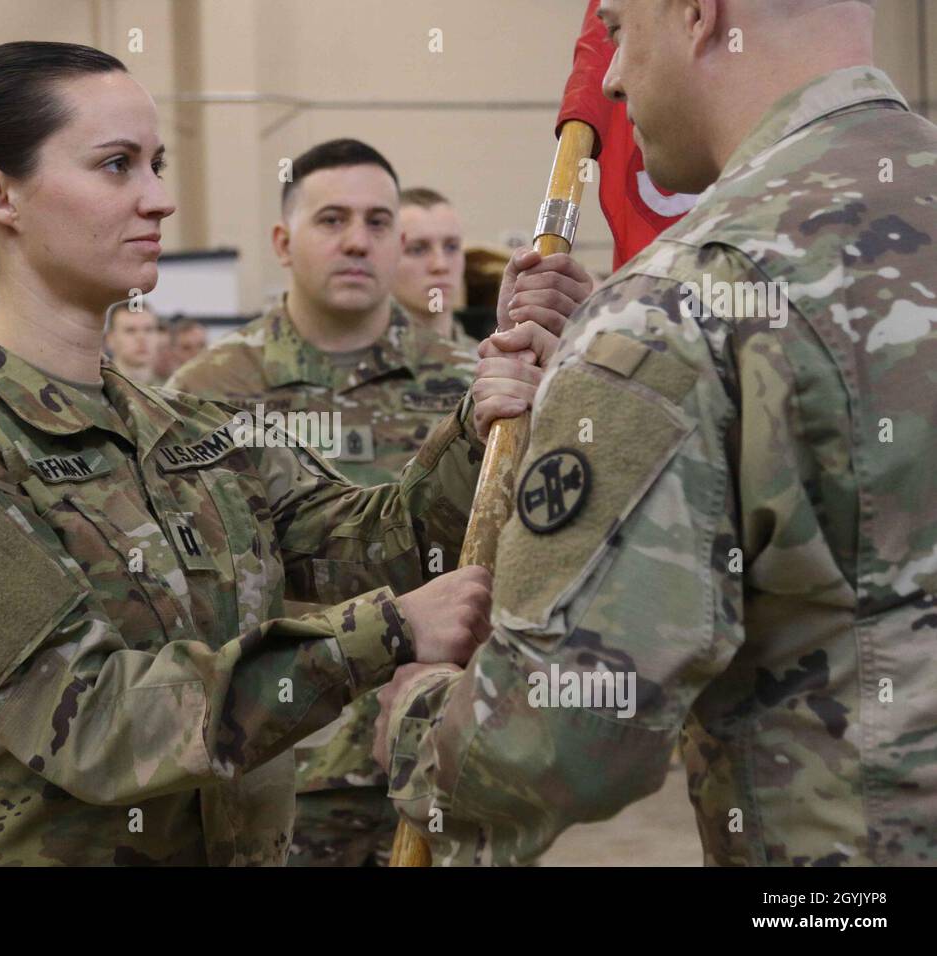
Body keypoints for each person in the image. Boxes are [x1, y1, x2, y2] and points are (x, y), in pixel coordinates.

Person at [0, 40, 530, 866]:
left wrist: (486, 413)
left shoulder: (194, 432)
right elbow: (92, 722)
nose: (160, 199)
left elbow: (389, 543)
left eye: (157, 165)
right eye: (116, 165)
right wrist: (385, 633)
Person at [375, 0, 937, 866]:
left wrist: (420, 717)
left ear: (698, 15)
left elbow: (567, 732)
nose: (608, 77)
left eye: (620, 29)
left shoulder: (685, 302)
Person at [168, 138, 591, 865]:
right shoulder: (210, 394)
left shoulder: (477, 383)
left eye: (378, 222)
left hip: (443, 750)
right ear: (282, 242)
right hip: (288, 767)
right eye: (332, 220)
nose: (357, 241)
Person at [393, 187, 475, 347]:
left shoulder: (488, 359)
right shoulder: (353, 357)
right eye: (417, 249)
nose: (440, 265)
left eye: (451, 247)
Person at [103, 299, 161, 384]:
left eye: (148, 329)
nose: (141, 337)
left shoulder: (174, 388)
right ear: (110, 339)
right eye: (130, 330)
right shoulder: (97, 387)